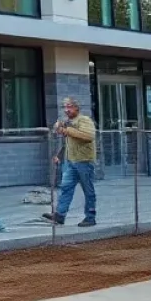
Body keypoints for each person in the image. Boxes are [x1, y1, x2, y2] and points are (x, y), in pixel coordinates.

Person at [43, 97, 97, 227]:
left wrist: (67, 130)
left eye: (69, 107)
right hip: (71, 161)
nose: (67, 110)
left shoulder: (84, 120)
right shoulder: (68, 122)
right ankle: (60, 215)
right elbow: (68, 143)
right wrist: (60, 155)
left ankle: (90, 217)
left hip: (84, 161)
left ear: (76, 108)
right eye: (65, 107)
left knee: (88, 190)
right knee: (66, 188)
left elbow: (89, 136)